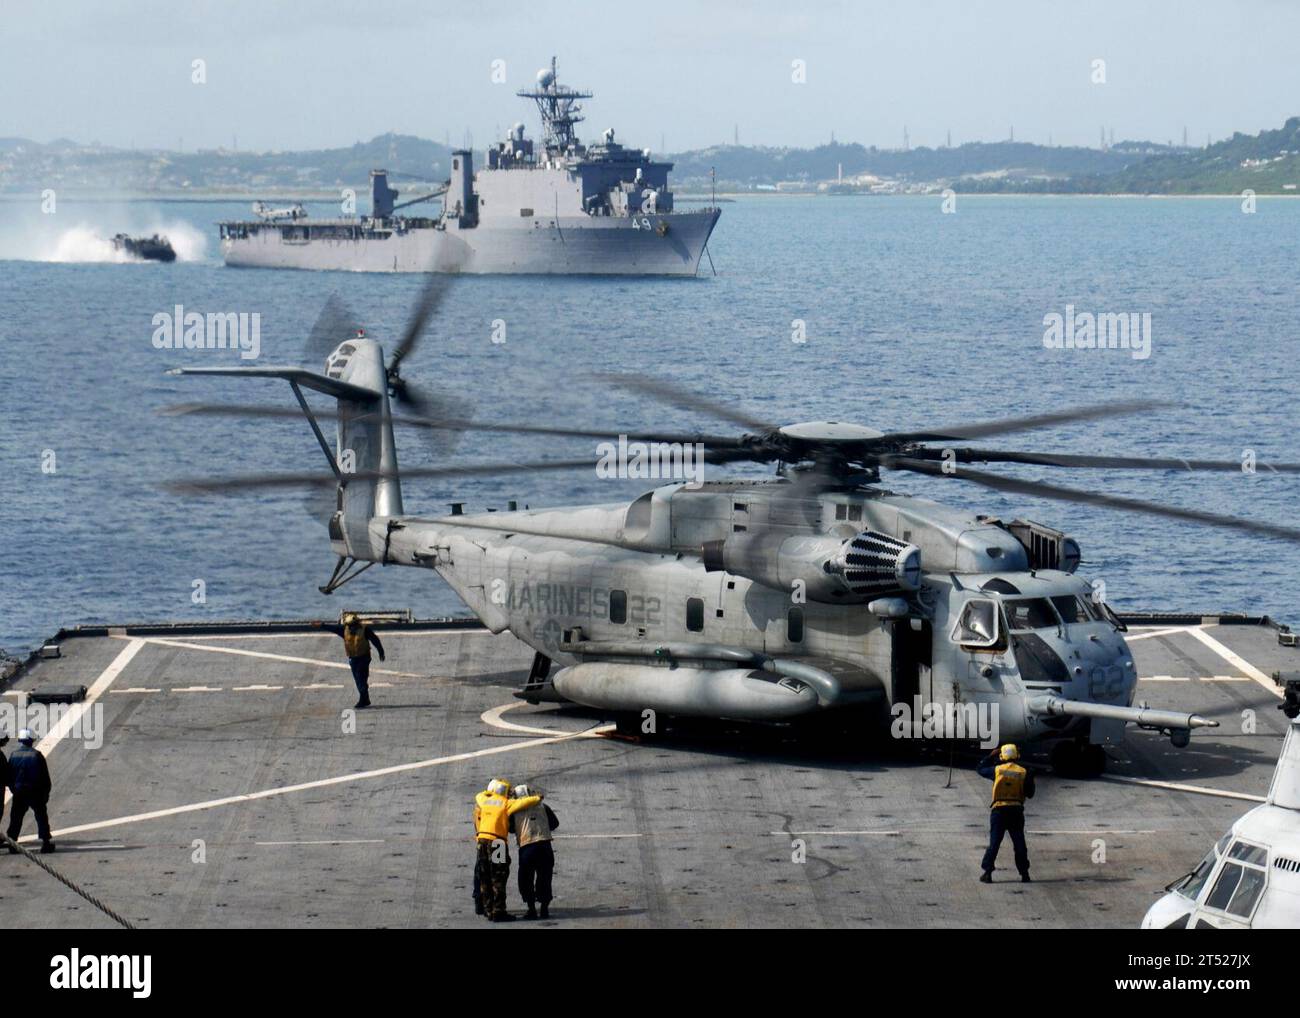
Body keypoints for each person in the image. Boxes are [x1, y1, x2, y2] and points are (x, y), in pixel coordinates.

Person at [473, 778, 541, 922]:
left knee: (484, 875)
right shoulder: (506, 803)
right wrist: (537, 797)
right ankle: (499, 911)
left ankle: (488, 909)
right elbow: (524, 802)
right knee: (498, 876)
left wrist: (488, 793)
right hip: (497, 842)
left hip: (482, 840)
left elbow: (479, 795)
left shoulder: (484, 800)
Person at [978, 743, 1034, 883]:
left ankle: (988, 873)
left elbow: (980, 769)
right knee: (1019, 844)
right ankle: (1024, 874)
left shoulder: (997, 770)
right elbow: (1030, 793)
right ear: (1017, 755)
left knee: (994, 844)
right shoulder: (1023, 772)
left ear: (1001, 756)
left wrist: (990, 756)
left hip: (999, 811)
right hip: (1016, 811)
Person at [509, 783, 559, 920]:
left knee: (525, 879)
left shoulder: (514, 810)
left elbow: (511, 829)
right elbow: (555, 823)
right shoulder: (543, 806)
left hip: (527, 848)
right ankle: (544, 909)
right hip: (545, 846)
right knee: (545, 878)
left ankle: (531, 909)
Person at [6, 729, 55, 854]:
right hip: (35, 793)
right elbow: (45, 778)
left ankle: (12, 844)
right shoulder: (37, 755)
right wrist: (45, 794)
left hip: (19, 792)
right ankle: (45, 843)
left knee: (15, 818)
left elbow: (9, 776)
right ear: (31, 740)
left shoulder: (13, 755)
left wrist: (14, 789)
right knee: (41, 817)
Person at [326, 613, 385, 709]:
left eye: (353, 625)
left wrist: (381, 651)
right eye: (350, 626)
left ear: (357, 624)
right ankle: (365, 699)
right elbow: (333, 629)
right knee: (359, 680)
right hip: (353, 659)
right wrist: (322, 625)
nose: (351, 628)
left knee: (361, 679)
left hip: (364, 658)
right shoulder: (344, 631)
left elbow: (375, 640)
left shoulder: (365, 630)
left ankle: (363, 699)